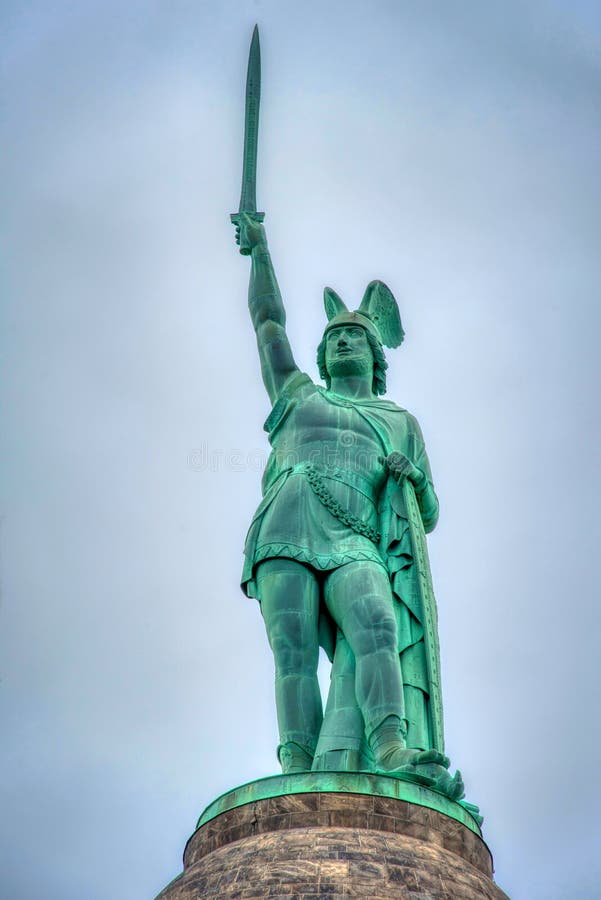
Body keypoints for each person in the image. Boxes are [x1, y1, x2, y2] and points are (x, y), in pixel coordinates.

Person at [235, 213, 461, 798]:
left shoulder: (399, 422)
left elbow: (428, 511)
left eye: (355, 334)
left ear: (375, 353)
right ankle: (298, 769)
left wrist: (410, 477)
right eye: (334, 335)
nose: (342, 340)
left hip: (356, 536)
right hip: (285, 525)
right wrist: (261, 253)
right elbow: (268, 324)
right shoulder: (296, 394)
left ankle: (389, 744)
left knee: (378, 626)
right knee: (292, 654)